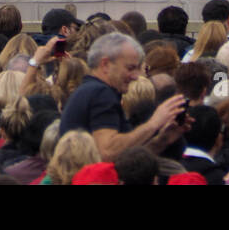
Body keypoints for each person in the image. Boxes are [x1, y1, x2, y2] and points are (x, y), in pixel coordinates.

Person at [55, 32, 188, 160]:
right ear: (105, 64)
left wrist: (162, 141)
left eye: (137, 69)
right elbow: (107, 152)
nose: (136, 76)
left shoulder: (91, 90)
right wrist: (153, 123)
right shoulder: (100, 93)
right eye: (130, 68)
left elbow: (123, 160)